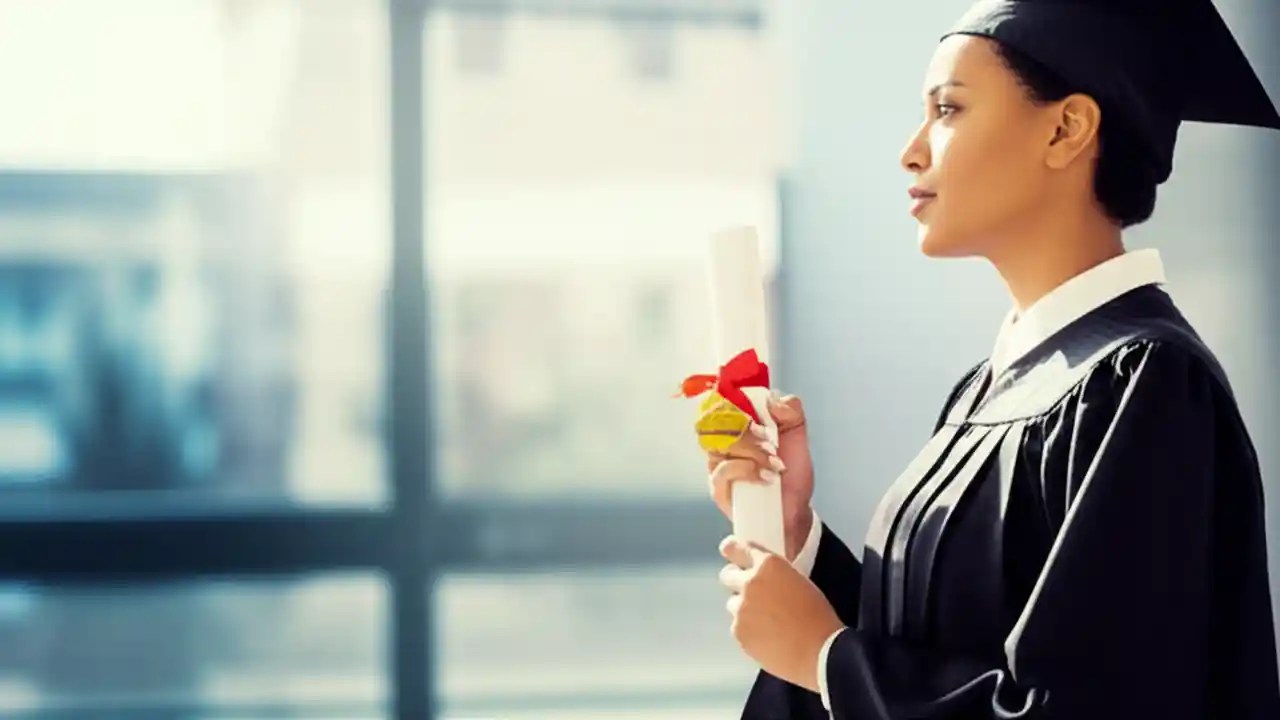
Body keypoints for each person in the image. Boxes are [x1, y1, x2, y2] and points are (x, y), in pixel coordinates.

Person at [705, 0, 1280, 717]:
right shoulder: (990, 387)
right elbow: (944, 644)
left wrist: (825, 658)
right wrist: (798, 544)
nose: (911, 151)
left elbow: (1093, 703)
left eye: (948, 110)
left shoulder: (1145, 384)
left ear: (1066, 129)